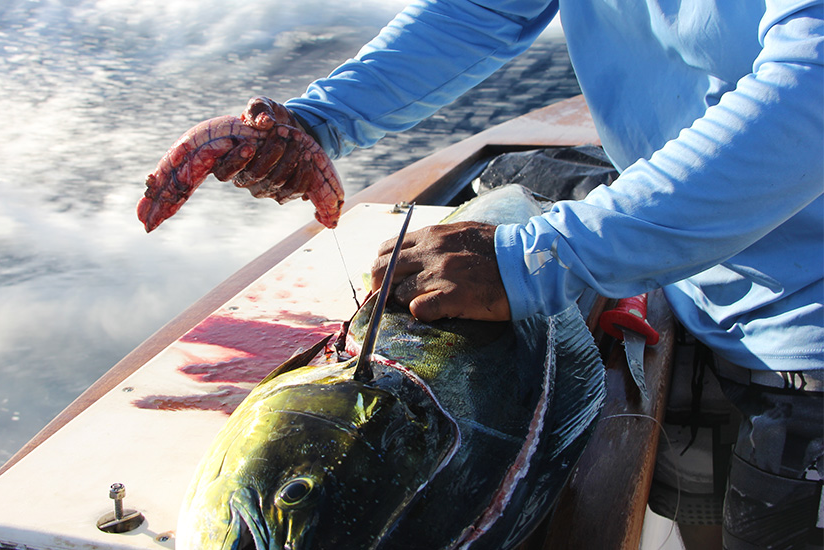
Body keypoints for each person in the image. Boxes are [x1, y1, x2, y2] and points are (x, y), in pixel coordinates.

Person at [203, 1, 823, 548]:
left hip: (807, 340)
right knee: (702, 523)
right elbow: (481, 7)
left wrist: (539, 260)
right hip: (692, 281)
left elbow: (811, 90)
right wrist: (320, 121)